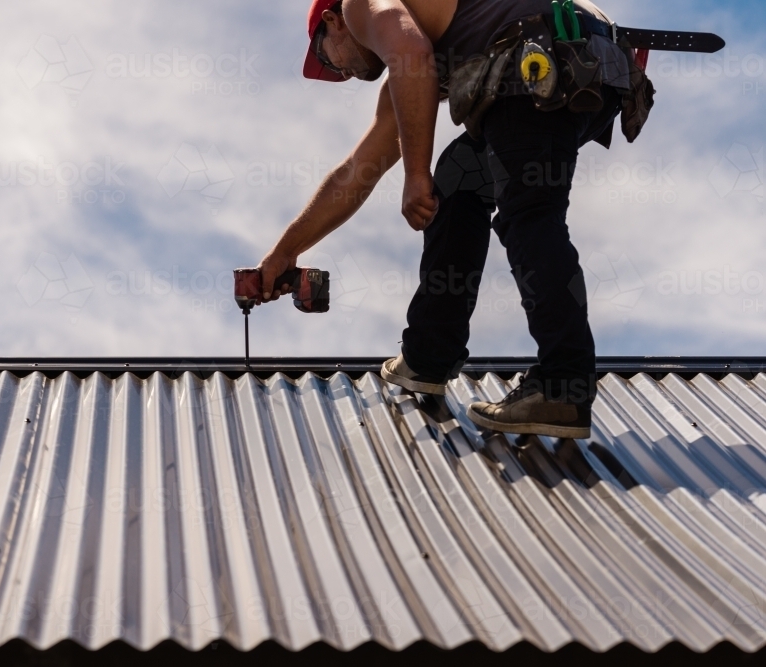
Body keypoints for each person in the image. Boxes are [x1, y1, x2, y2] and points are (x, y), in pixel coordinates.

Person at [256, 0, 628, 439]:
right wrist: (286, 250)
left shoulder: (358, 6)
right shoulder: (422, 49)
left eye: (324, 57)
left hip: (541, 58)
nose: (340, 73)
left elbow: (411, 55)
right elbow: (359, 171)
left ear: (332, 22)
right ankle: (429, 355)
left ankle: (563, 387)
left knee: (529, 212)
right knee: (459, 181)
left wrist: (416, 174)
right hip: (595, 65)